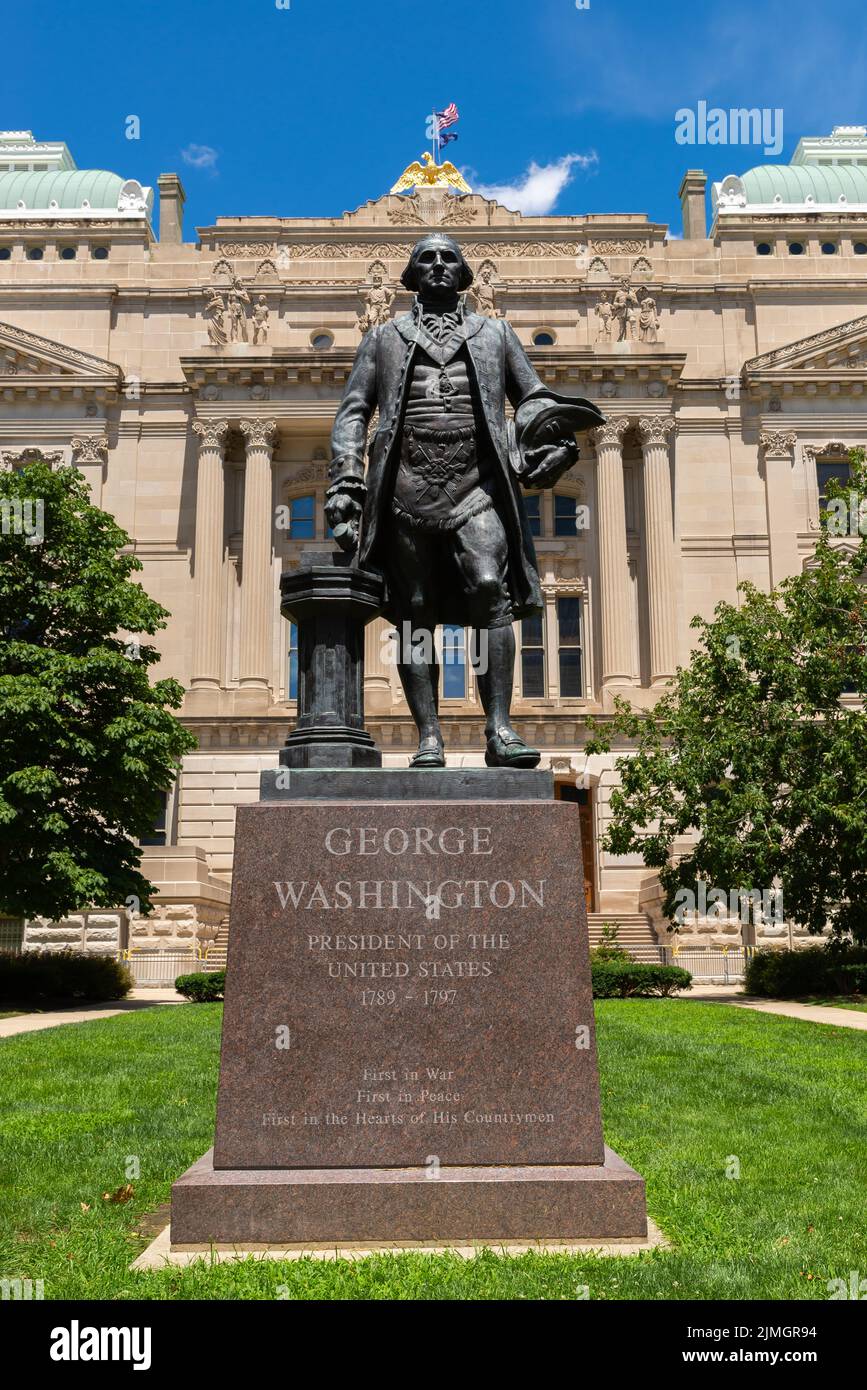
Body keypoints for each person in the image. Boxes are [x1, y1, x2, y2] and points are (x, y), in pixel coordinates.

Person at [326, 233, 604, 768]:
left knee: (486, 587)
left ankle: (499, 727)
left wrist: (559, 445)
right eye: (425, 258)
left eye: (447, 257)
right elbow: (353, 412)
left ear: (463, 273)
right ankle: (429, 734)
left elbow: (534, 400)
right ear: (410, 276)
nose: (436, 265)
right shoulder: (385, 337)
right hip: (406, 488)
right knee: (415, 612)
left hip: (477, 485)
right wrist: (345, 480)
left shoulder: (495, 334)